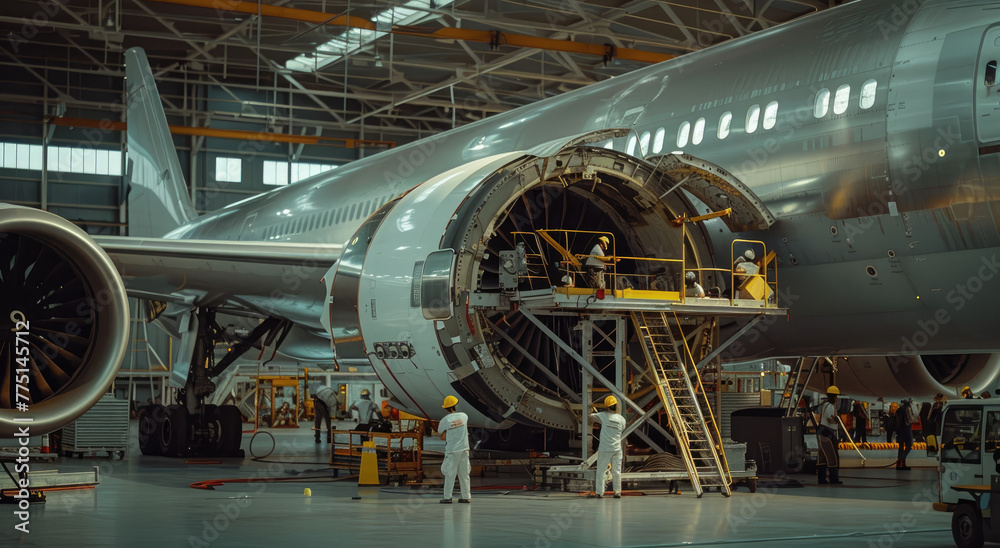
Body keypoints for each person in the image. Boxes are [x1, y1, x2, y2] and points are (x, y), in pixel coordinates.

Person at [590, 395, 627, 498]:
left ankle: (599, 492)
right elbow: (623, 428)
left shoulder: (603, 416)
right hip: (617, 449)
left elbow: (591, 417)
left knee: (601, 471)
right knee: (617, 471)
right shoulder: (621, 419)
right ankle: (617, 492)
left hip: (605, 448)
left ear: (606, 406)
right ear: (615, 406)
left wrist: (590, 409)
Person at [438, 395, 471, 504]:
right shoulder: (464, 416)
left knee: (449, 474)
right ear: (455, 405)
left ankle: (447, 497)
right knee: (464, 474)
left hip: (452, 451)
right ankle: (466, 497)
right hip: (464, 450)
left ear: (445, 408)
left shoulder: (445, 420)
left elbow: (442, 435)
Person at [816, 386, 842, 485]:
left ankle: (821, 479)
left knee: (822, 458)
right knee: (833, 457)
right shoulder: (830, 406)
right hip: (828, 434)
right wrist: (837, 420)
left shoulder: (825, 405)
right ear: (834, 397)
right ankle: (834, 479)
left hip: (822, 434)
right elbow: (829, 419)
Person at [896, 398, 915, 470]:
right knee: (909, 445)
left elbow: (897, 422)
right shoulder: (907, 410)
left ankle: (900, 464)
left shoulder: (898, 410)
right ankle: (902, 461)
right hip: (906, 429)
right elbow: (909, 420)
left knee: (901, 447)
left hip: (900, 430)